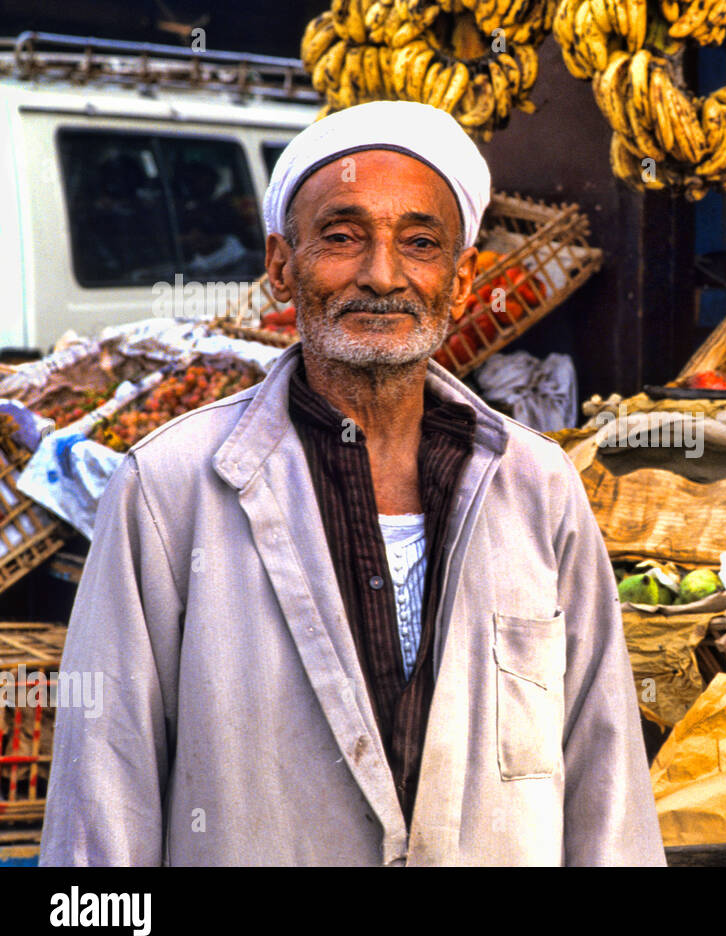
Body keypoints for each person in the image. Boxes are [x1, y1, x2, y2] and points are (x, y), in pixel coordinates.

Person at [40, 101, 666, 866]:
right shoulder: (171, 489)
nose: (381, 275)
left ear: (463, 277)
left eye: (420, 243)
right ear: (281, 265)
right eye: (341, 237)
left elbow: (607, 785)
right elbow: (102, 794)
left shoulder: (538, 486)